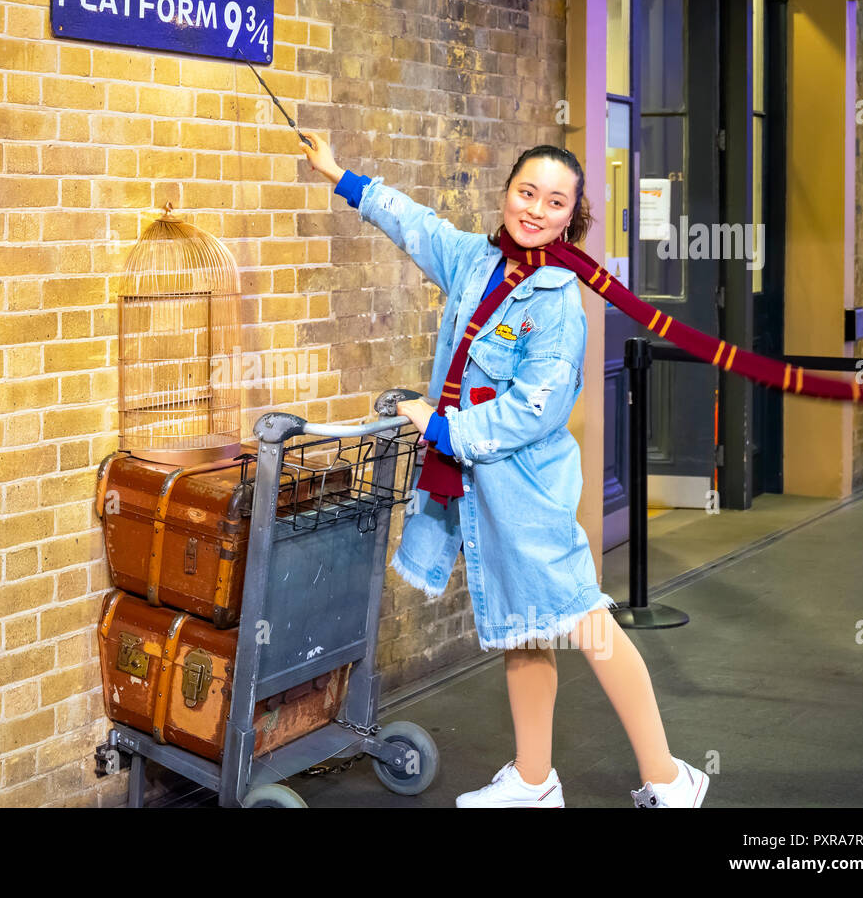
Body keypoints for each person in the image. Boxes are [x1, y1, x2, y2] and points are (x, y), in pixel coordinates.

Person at [299, 133, 710, 809]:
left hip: (529, 492)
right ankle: (533, 779)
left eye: (555, 202)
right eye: (527, 192)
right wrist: (341, 175)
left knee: (585, 620)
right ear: (506, 193)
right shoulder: (474, 258)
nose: (536, 209)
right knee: (521, 626)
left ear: (570, 217)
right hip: (480, 486)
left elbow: (534, 411)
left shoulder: (557, 302)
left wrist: (441, 424)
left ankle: (669, 778)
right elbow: (416, 225)